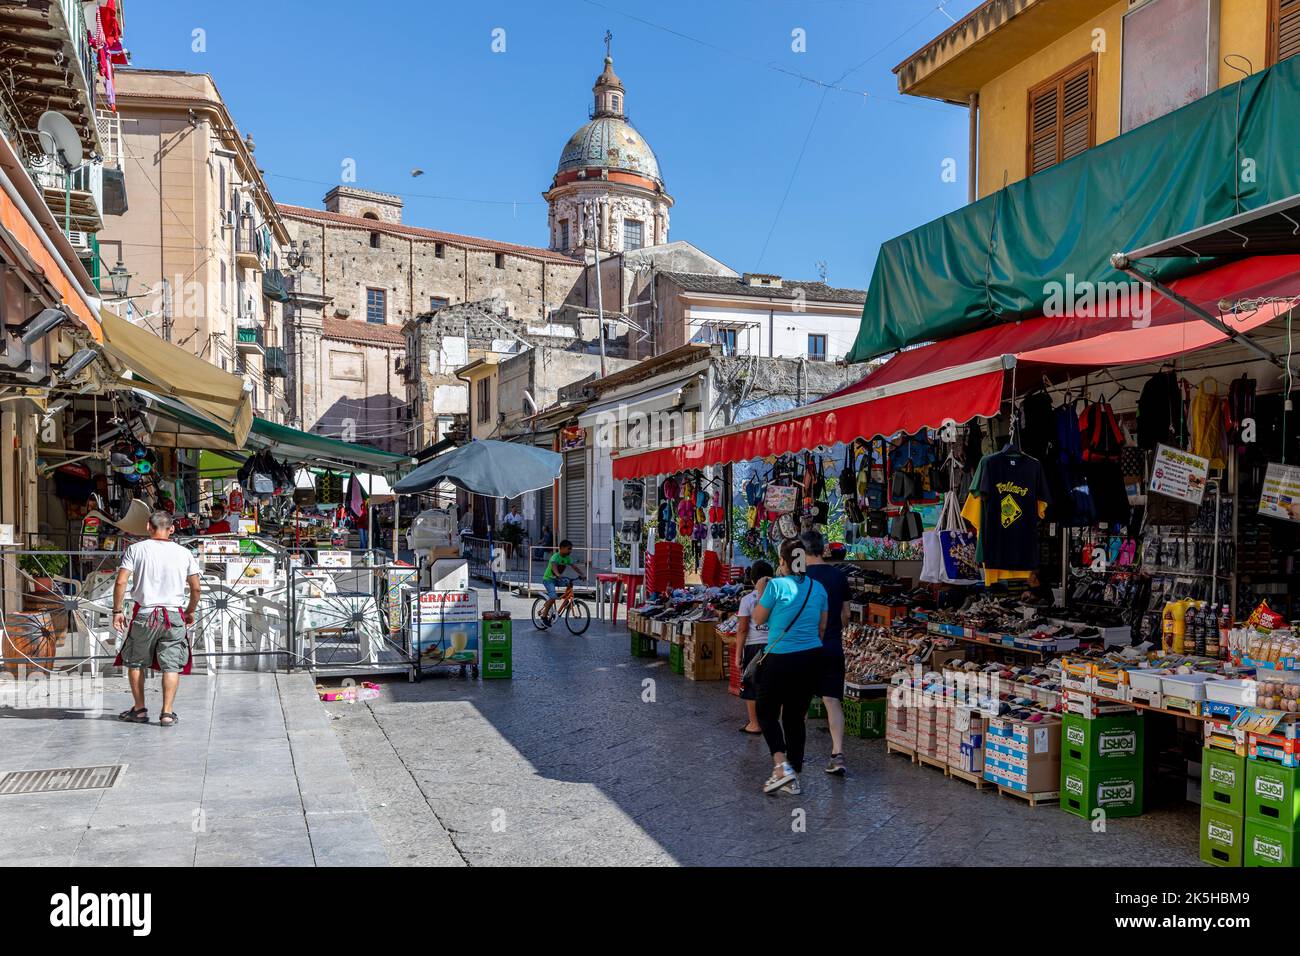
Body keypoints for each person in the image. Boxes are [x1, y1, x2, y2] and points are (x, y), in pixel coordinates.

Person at [750, 537, 829, 796]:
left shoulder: (775, 586)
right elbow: (822, 628)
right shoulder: (819, 588)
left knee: (766, 712)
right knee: (795, 716)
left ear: (783, 562)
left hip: (781, 658)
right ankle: (794, 775)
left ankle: (782, 766)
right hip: (811, 659)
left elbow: (758, 619)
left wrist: (762, 592)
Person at [113, 511, 201, 728]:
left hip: (145, 615)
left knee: (136, 662)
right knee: (171, 665)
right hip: (173, 615)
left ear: (148, 527)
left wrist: (117, 610)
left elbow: (121, 582)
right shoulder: (184, 553)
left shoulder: (135, 549)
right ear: (172, 529)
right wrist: (190, 610)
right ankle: (167, 713)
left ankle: (140, 709)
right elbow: (196, 588)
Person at [799, 529, 852, 776]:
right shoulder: (839, 577)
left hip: (803, 649)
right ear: (823, 548)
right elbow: (847, 616)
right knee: (832, 702)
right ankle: (837, 754)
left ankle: (792, 755)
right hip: (832, 647)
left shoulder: (799, 578)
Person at [735, 560, 774, 735]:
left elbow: (742, 629)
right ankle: (771, 722)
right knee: (772, 685)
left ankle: (754, 723)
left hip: (753, 647)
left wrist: (738, 655)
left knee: (750, 685)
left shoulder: (747, 600)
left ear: (752, 581)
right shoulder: (779, 598)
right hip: (774, 646)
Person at [541, 539, 584, 622]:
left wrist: (582, 574)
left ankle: (566, 600)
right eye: (568, 549)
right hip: (548, 580)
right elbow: (554, 566)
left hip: (558, 579)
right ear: (561, 548)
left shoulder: (567, 558)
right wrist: (558, 574)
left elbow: (574, 567)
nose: (570, 551)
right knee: (553, 596)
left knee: (569, 583)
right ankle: (544, 616)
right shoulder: (555, 557)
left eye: (571, 549)